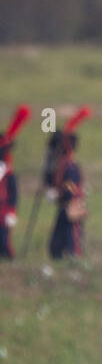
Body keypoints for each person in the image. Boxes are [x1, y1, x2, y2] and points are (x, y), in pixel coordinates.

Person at [45, 106, 90, 260]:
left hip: (71, 207)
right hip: (64, 207)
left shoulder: (69, 166)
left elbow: (70, 187)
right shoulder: (63, 165)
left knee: (72, 243)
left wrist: (59, 195)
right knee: (56, 245)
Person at [0, 104, 31, 260]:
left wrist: (12, 211)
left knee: (4, 241)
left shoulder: (9, 174)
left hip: (3, 212)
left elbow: (14, 194)